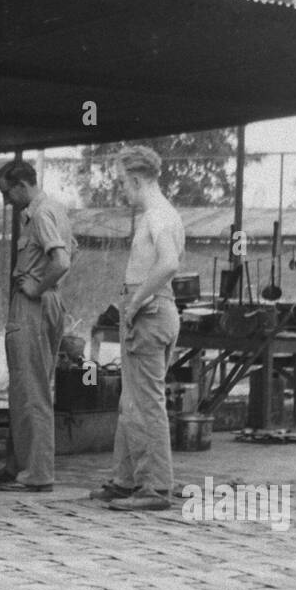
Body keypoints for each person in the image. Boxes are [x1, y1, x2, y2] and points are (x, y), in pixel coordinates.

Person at [91, 146, 186, 512]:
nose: (123, 192)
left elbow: (168, 264)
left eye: (122, 184)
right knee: (131, 401)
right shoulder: (164, 214)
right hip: (155, 310)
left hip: (149, 312)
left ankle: (156, 486)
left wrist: (136, 301)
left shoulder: (158, 216)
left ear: (135, 179)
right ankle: (126, 480)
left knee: (146, 403)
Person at [0, 159, 73, 492]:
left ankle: (37, 473)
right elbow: (70, 252)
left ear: (21, 185)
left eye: (7, 192)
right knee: (24, 387)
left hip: (34, 304)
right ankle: (18, 464)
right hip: (47, 302)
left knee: (32, 389)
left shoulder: (40, 215)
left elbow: (62, 261)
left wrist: (37, 287)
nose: (7, 200)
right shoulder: (56, 209)